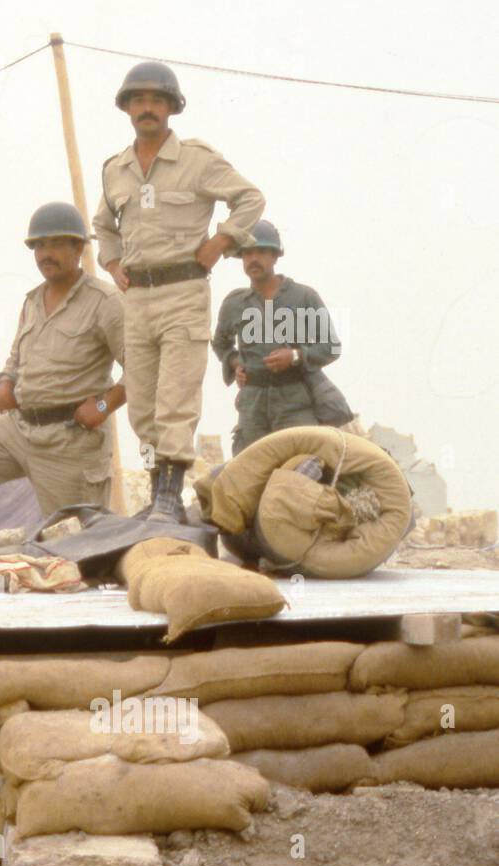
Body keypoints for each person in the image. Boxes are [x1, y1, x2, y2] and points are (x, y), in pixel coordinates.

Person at [92, 61, 264, 522]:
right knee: (142, 404)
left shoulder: (197, 160)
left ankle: (171, 495)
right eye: (138, 100)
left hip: (184, 291)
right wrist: (112, 265)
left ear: (171, 107)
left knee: (175, 400)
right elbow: (103, 225)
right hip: (137, 298)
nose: (147, 108)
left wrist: (222, 241)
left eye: (157, 100)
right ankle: (155, 492)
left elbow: (250, 198)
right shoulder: (116, 170)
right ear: (127, 107)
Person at [0, 202, 125, 546]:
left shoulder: (106, 301)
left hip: (70, 440)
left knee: (74, 545)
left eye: (57, 244)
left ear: (78, 248)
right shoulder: (31, 301)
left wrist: (102, 409)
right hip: (18, 428)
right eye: (40, 246)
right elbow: (15, 359)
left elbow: (142, 371)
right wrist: (4, 382)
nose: (47, 253)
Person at [212, 220, 350, 455]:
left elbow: (331, 346)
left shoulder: (304, 297)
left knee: (304, 468)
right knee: (251, 473)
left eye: (262, 252)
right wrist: (236, 363)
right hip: (253, 405)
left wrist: (295, 356)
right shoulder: (234, 303)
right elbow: (221, 343)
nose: (253, 259)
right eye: (247, 253)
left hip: (295, 400)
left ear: (275, 256)